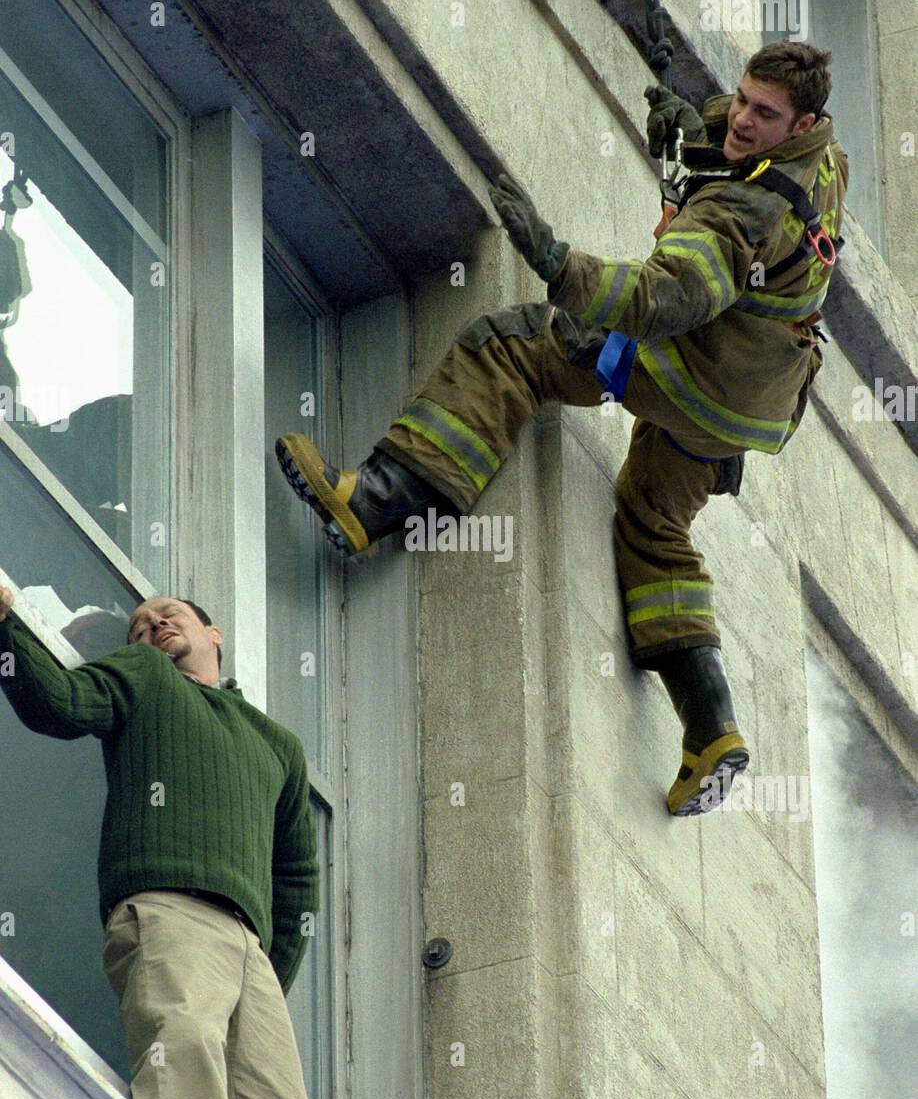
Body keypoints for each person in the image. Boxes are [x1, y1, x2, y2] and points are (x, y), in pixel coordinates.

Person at [275, 40, 848, 819]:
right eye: (741, 99)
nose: (745, 119)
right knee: (654, 523)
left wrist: (555, 262)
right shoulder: (825, 160)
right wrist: (699, 130)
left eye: (763, 114)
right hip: (750, 406)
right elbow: (748, 162)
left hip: (690, 371)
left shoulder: (741, 214)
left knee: (517, 346)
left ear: (802, 119)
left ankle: (377, 500)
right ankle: (711, 729)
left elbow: (662, 297)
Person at [0, 586, 320, 1099]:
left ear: (213, 633)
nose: (150, 626)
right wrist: (6, 624)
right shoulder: (147, 674)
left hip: (249, 947)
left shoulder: (278, 744)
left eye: (167, 614)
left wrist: (268, 974)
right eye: (139, 626)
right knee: (187, 1077)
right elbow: (62, 704)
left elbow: (297, 877)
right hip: (171, 910)